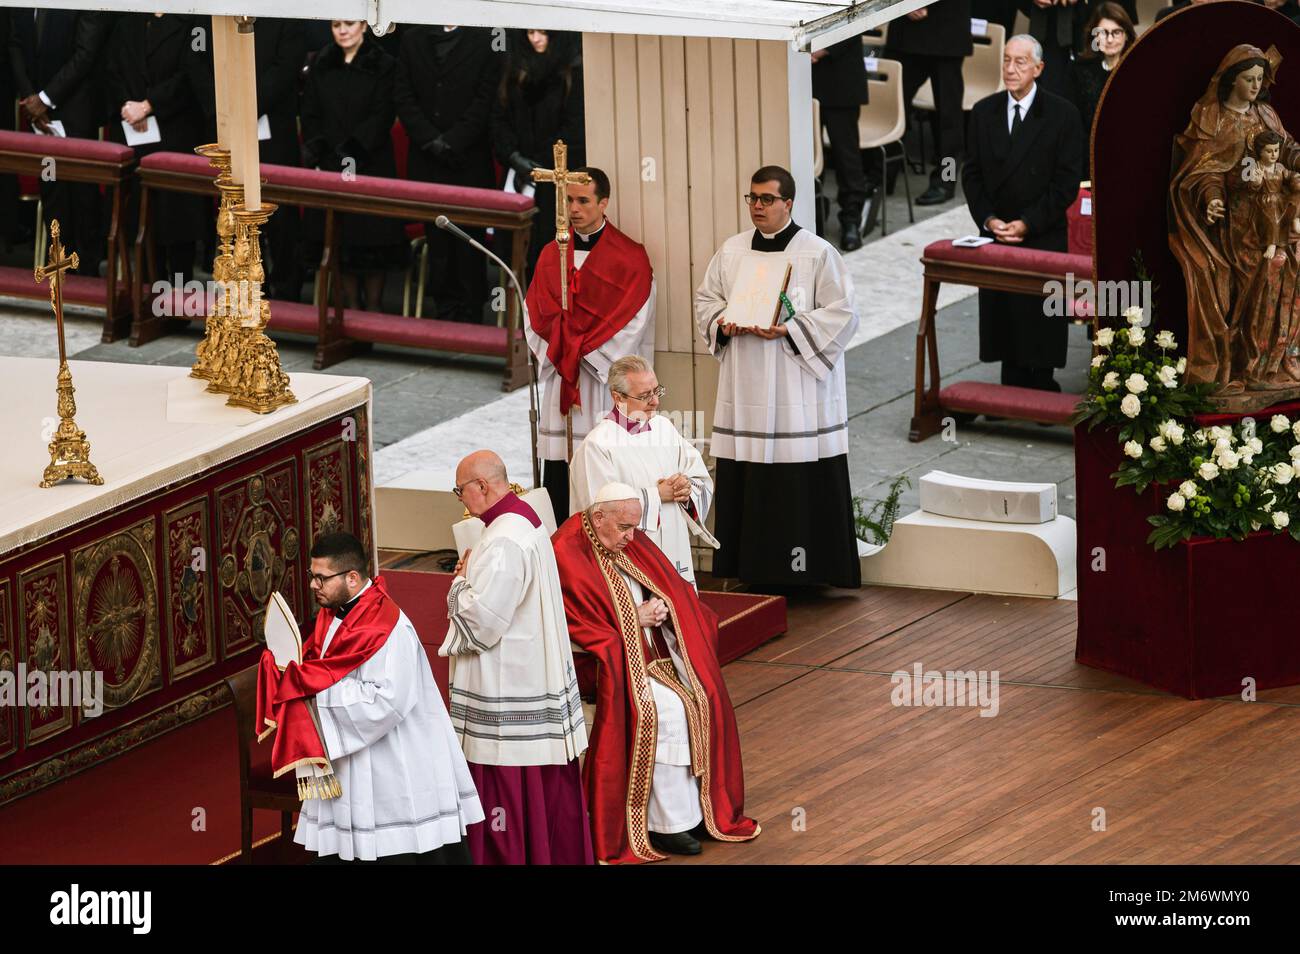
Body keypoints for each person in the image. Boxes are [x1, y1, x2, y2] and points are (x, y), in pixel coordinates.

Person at [552, 483, 760, 863]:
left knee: (701, 695)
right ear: (598, 517)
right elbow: (572, 624)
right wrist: (634, 618)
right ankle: (666, 824)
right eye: (624, 528)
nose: (632, 538)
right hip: (604, 666)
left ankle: (699, 811)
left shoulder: (626, 539)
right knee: (667, 709)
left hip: (652, 654)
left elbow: (674, 589)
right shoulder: (567, 551)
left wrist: (666, 608)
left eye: (634, 527)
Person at [257, 531, 484, 864]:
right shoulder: (333, 615)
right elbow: (323, 666)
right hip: (354, 759)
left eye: (322, 578)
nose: (313, 585)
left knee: (394, 851)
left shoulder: (389, 628)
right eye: (312, 576)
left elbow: (387, 701)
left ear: (352, 577)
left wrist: (314, 690)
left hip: (395, 763)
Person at [694, 164, 861, 588]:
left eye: (767, 199)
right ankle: (751, 570)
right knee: (749, 475)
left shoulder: (817, 253)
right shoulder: (732, 251)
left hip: (795, 388)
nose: (757, 206)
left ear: (788, 203)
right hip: (746, 382)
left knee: (794, 479)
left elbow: (844, 313)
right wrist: (722, 322)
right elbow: (706, 300)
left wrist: (791, 329)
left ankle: (806, 576)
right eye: (752, 198)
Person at [439, 450, 593, 865]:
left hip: (508, 694)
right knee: (543, 795)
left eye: (460, 490)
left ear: (482, 486)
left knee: (504, 792)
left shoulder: (503, 540)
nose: (461, 499)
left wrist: (458, 585)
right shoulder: (525, 519)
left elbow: (483, 622)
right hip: (532, 675)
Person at [524, 166, 656, 519]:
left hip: (600, 383)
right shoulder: (550, 254)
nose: (574, 208)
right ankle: (560, 541)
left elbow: (636, 318)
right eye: (568, 200)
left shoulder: (629, 258)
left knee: (601, 470)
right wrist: (561, 350)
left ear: (603, 203)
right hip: (562, 380)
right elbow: (533, 312)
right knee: (560, 473)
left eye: (583, 200)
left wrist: (583, 353)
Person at [961, 35, 1082, 392]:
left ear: (1038, 68)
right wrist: (989, 219)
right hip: (997, 230)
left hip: (1042, 230)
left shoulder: (1063, 114)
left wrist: (1028, 222)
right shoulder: (983, 112)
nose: (1011, 69)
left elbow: (1066, 182)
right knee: (1004, 313)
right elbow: (972, 174)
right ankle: (1009, 384)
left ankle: (1042, 385)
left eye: (1020, 62)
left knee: (1039, 312)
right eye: (1006, 60)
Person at [569, 355, 715, 586]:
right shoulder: (598, 446)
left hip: (675, 547)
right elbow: (597, 514)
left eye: (657, 391)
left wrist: (686, 488)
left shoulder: (663, 427)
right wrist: (657, 495)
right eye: (645, 395)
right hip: (630, 558)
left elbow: (698, 476)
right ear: (617, 397)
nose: (655, 401)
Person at [395, 24, 501, 323]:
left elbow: (486, 99)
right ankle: (443, 310)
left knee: (469, 240)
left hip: (469, 159)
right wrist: (430, 139)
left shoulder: (485, 38)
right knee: (437, 240)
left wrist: (453, 141)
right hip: (427, 158)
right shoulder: (413, 38)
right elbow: (403, 95)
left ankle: (471, 312)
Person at [301, 20, 405, 312]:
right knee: (339, 241)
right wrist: (324, 152)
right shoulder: (321, 63)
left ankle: (373, 311)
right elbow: (309, 112)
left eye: (349, 24)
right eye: (336, 25)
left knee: (372, 243)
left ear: (364, 26)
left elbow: (383, 114)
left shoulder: (385, 64)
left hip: (371, 163)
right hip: (330, 166)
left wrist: (352, 152)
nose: (342, 30)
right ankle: (349, 309)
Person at [103, 12, 208, 284]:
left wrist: (149, 105)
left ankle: (181, 293)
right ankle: (149, 290)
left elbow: (192, 74)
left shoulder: (195, 22)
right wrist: (128, 106)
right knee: (143, 217)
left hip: (177, 133)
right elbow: (112, 67)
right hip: (135, 130)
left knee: (177, 221)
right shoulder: (128, 18)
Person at [11, 9, 110, 274]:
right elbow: (14, 43)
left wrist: (46, 98)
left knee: (82, 193)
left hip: (76, 106)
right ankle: (59, 268)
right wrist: (31, 98)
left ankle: (86, 270)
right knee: (51, 187)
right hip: (38, 111)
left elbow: (86, 52)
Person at [491, 29, 585, 272]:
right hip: (519, 171)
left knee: (550, 248)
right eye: (530, 32)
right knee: (515, 250)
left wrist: (540, 162)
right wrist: (513, 156)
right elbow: (500, 117)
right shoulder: (514, 68)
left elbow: (574, 127)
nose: (535, 39)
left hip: (558, 177)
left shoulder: (572, 72)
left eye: (543, 33)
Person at [885, 0, 972, 207]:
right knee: (892, 109)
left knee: (949, 118)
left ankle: (947, 180)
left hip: (947, 29)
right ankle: (883, 173)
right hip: (905, 30)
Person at [811, 34, 869, 249]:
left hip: (842, 76)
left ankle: (851, 219)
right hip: (803, 75)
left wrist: (822, 49)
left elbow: (855, 19)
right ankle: (814, 216)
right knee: (807, 155)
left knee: (847, 156)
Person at [1067, 2, 1135, 176]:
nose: (1109, 39)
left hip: (1130, 156)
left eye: (1116, 32)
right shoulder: (1080, 70)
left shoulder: (1138, 69)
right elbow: (1076, 125)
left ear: (1127, 35)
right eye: (1103, 33)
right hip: (1090, 159)